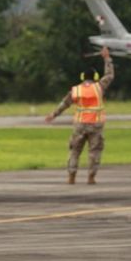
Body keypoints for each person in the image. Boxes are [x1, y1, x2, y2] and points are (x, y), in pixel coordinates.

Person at [44, 46, 114, 185]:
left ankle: (71, 177)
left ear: (82, 77)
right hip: (96, 125)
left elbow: (65, 103)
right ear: (95, 77)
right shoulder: (99, 87)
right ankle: (91, 177)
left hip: (79, 126)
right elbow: (110, 75)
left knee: (75, 150)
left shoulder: (76, 90)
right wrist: (106, 58)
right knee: (94, 151)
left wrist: (53, 114)